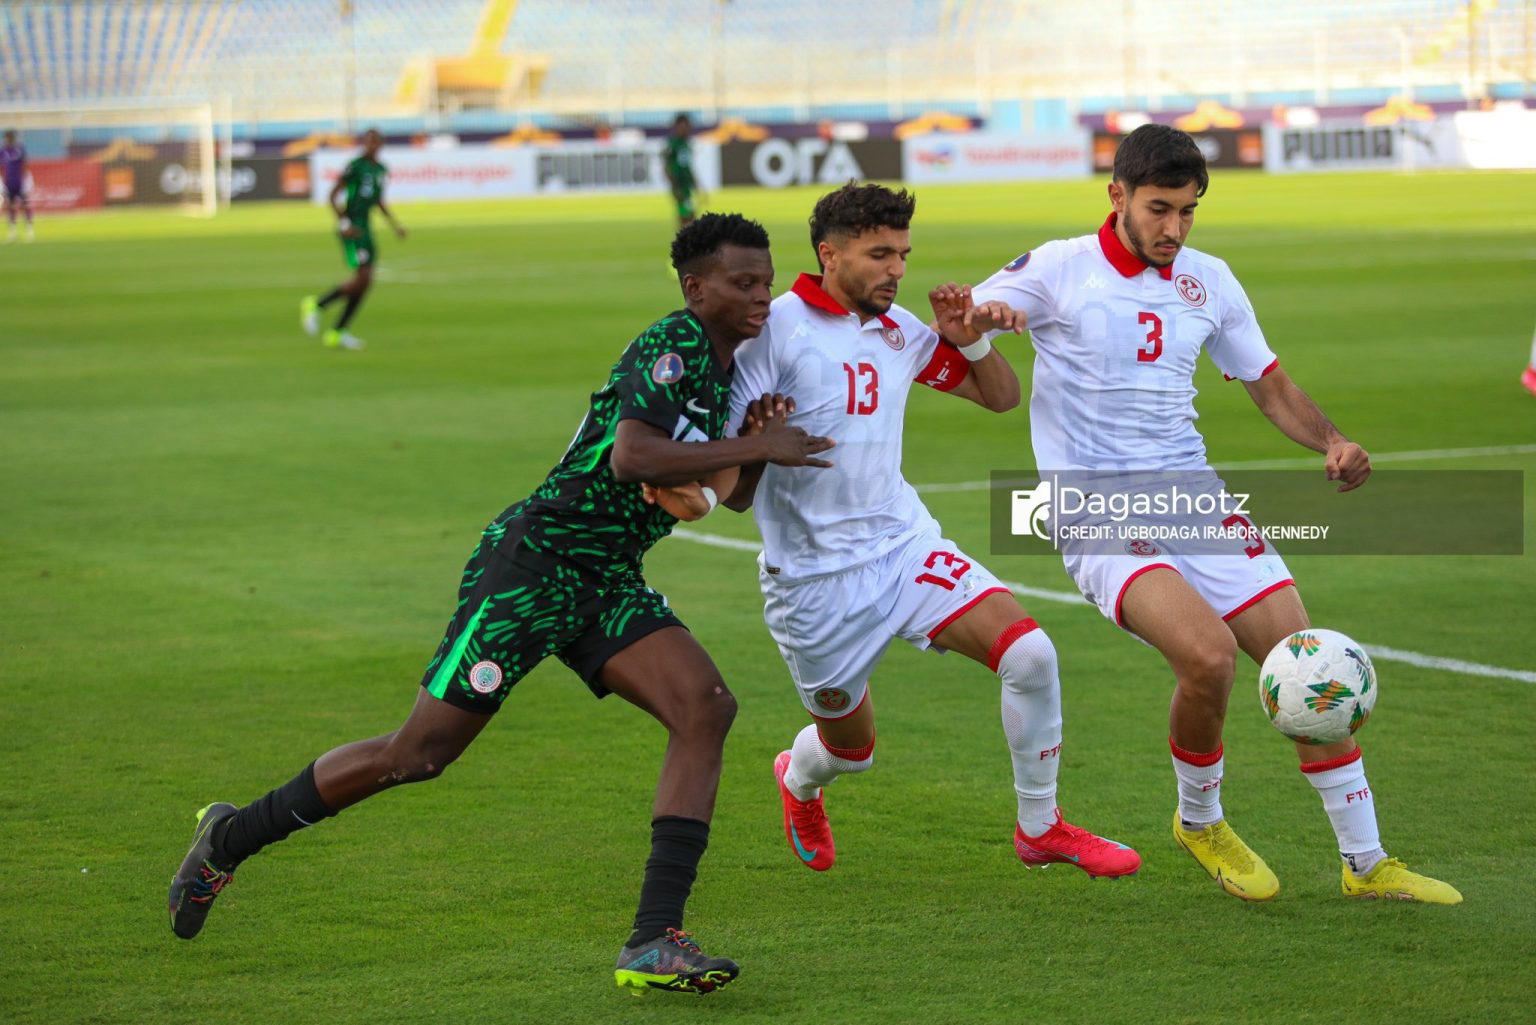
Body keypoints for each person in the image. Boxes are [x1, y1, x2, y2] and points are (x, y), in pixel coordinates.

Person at [170, 213, 837, 995]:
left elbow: (722, 496)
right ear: (696, 287)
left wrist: (755, 439)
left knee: (705, 707)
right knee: (419, 754)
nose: (760, 295)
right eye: (742, 281)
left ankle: (654, 938)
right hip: (533, 567)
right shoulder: (675, 344)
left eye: (766, 280)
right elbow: (633, 456)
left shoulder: (728, 371)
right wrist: (753, 446)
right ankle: (230, 837)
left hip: (604, 577)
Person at [970, 124, 1460, 904]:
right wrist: (983, 326)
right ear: (1118, 195)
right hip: (1094, 510)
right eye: (1159, 209)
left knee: (1310, 661)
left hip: (1192, 497)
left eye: (1188, 212)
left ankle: (1367, 865)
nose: (1173, 229)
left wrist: (1332, 440)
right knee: (1208, 658)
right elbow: (964, 321)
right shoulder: (1058, 268)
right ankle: (1200, 819)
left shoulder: (1209, 279)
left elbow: (1267, 382)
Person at [722, 183, 1139, 880]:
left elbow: (1000, 397)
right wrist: (759, 444)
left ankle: (1040, 826)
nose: (896, 270)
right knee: (851, 750)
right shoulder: (774, 333)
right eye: (879, 254)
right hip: (813, 585)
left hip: (904, 547)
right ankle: (799, 778)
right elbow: (732, 498)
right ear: (830, 254)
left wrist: (970, 342)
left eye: (903, 255)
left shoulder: (897, 332)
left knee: (1030, 654)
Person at [300, 129, 405, 351]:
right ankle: (316, 305)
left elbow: (378, 201)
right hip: (352, 228)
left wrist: (395, 226)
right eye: (367, 142)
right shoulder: (355, 166)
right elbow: (332, 195)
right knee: (363, 277)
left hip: (366, 228)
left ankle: (338, 332)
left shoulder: (380, 169)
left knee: (365, 283)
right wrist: (344, 224)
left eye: (374, 142)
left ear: (380, 144)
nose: (371, 146)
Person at [662, 114, 697, 228]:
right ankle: (684, 241)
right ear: (677, 126)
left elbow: (687, 165)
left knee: (689, 215)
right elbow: (667, 165)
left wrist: (695, 183)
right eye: (683, 126)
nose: (686, 129)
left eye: (687, 126)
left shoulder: (686, 143)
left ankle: (685, 241)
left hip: (686, 185)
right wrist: (674, 185)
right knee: (686, 215)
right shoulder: (673, 143)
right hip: (679, 185)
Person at [1, 130, 34, 243]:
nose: (9, 139)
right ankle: (12, 231)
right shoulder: (3, 151)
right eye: (8, 137)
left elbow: (25, 164)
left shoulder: (20, 149)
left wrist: (26, 180)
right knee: (10, 206)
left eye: (11, 137)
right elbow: (1, 167)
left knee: (25, 204)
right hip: (8, 182)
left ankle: (29, 230)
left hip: (20, 182)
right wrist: (1, 181)